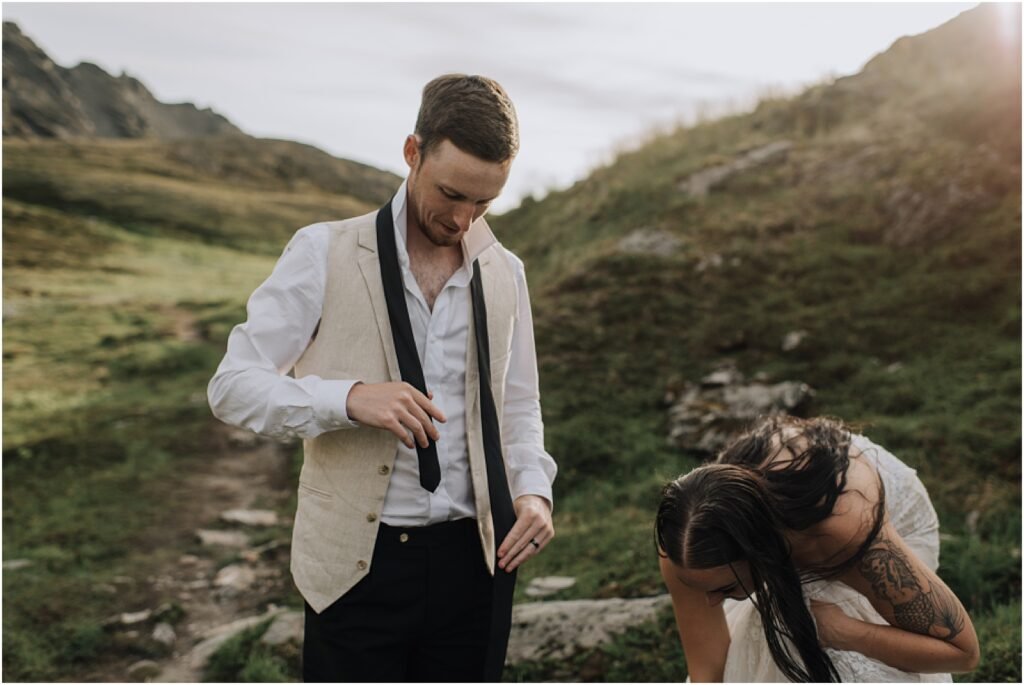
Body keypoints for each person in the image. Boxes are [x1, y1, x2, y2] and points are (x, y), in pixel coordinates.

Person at [208, 74, 557, 682]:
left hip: (474, 564)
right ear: (411, 152)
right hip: (355, 570)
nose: (463, 218)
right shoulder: (322, 251)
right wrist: (347, 398)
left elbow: (518, 405)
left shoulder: (508, 273)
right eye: (451, 193)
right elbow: (232, 385)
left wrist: (533, 489)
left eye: (484, 203)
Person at [655, 416, 979, 682]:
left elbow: (962, 653)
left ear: (759, 552)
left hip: (892, 520)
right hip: (788, 512)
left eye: (724, 588)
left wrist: (843, 632)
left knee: (798, 628)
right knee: (768, 632)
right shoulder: (686, 543)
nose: (711, 602)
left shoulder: (843, 535)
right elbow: (709, 671)